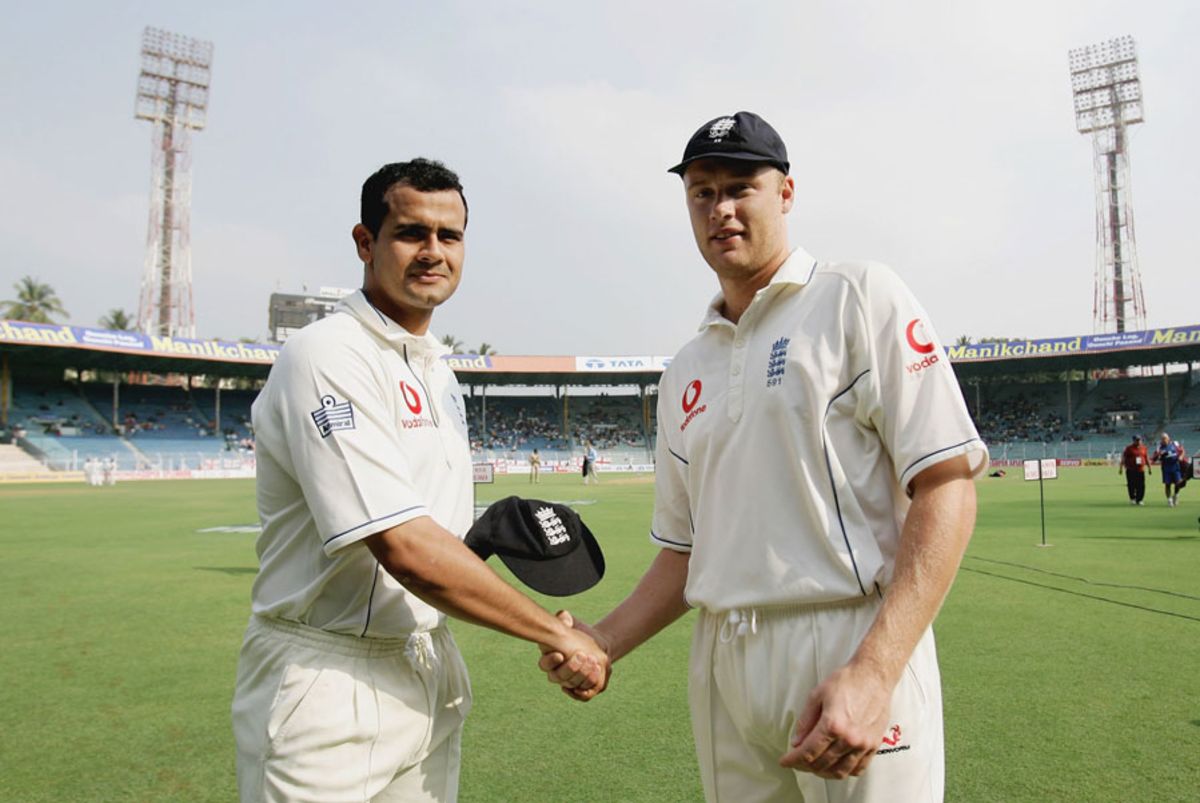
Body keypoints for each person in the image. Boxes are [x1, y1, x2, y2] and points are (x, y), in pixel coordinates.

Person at [540, 111, 987, 803]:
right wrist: (603, 642)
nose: (720, 208)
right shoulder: (687, 368)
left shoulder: (857, 296)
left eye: (740, 187)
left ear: (786, 193)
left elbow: (947, 483)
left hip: (846, 636)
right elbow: (687, 551)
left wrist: (875, 670)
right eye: (702, 192)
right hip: (726, 655)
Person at [231, 159, 607, 803]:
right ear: (365, 242)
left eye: (449, 235)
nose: (434, 251)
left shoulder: (437, 370)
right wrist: (556, 634)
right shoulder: (328, 353)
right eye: (411, 232)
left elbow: (435, 534)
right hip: (329, 678)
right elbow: (404, 546)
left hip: (426, 665)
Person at [1152, 432, 1184, 507]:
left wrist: (1181, 457)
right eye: (1162, 439)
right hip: (1166, 468)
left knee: (1178, 483)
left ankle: (1175, 495)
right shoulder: (1159, 447)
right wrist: (1158, 455)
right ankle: (1169, 500)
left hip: (1175, 467)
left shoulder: (1174, 444)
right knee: (1167, 484)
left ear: (1168, 438)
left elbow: (1182, 451)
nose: (1164, 440)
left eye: (1165, 438)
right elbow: (1154, 459)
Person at [1118, 434, 1151, 505]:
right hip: (1131, 470)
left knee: (1141, 485)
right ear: (1133, 441)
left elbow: (1146, 458)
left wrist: (1149, 468)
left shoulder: (1144, 448)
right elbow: (1124, 457)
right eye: (1137, 440)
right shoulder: (1129, 448)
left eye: (1140, 440)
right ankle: (1132, 498)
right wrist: (1121, 468)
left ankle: (1140, 499)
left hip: (1140, 470)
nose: (1139, 441)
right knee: (1131, 485)